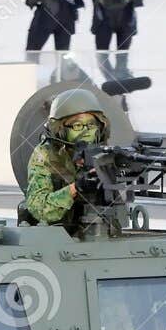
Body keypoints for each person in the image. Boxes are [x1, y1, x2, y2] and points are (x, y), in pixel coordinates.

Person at [24, 87, 108, 230]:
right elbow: (39, 209)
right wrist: (76, 188)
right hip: (56, 235)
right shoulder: (45, 155)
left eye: (92, 124)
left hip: (97, 231)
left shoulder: (101, 153)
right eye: (78, 125)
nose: (87, 132)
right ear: (60, 129)